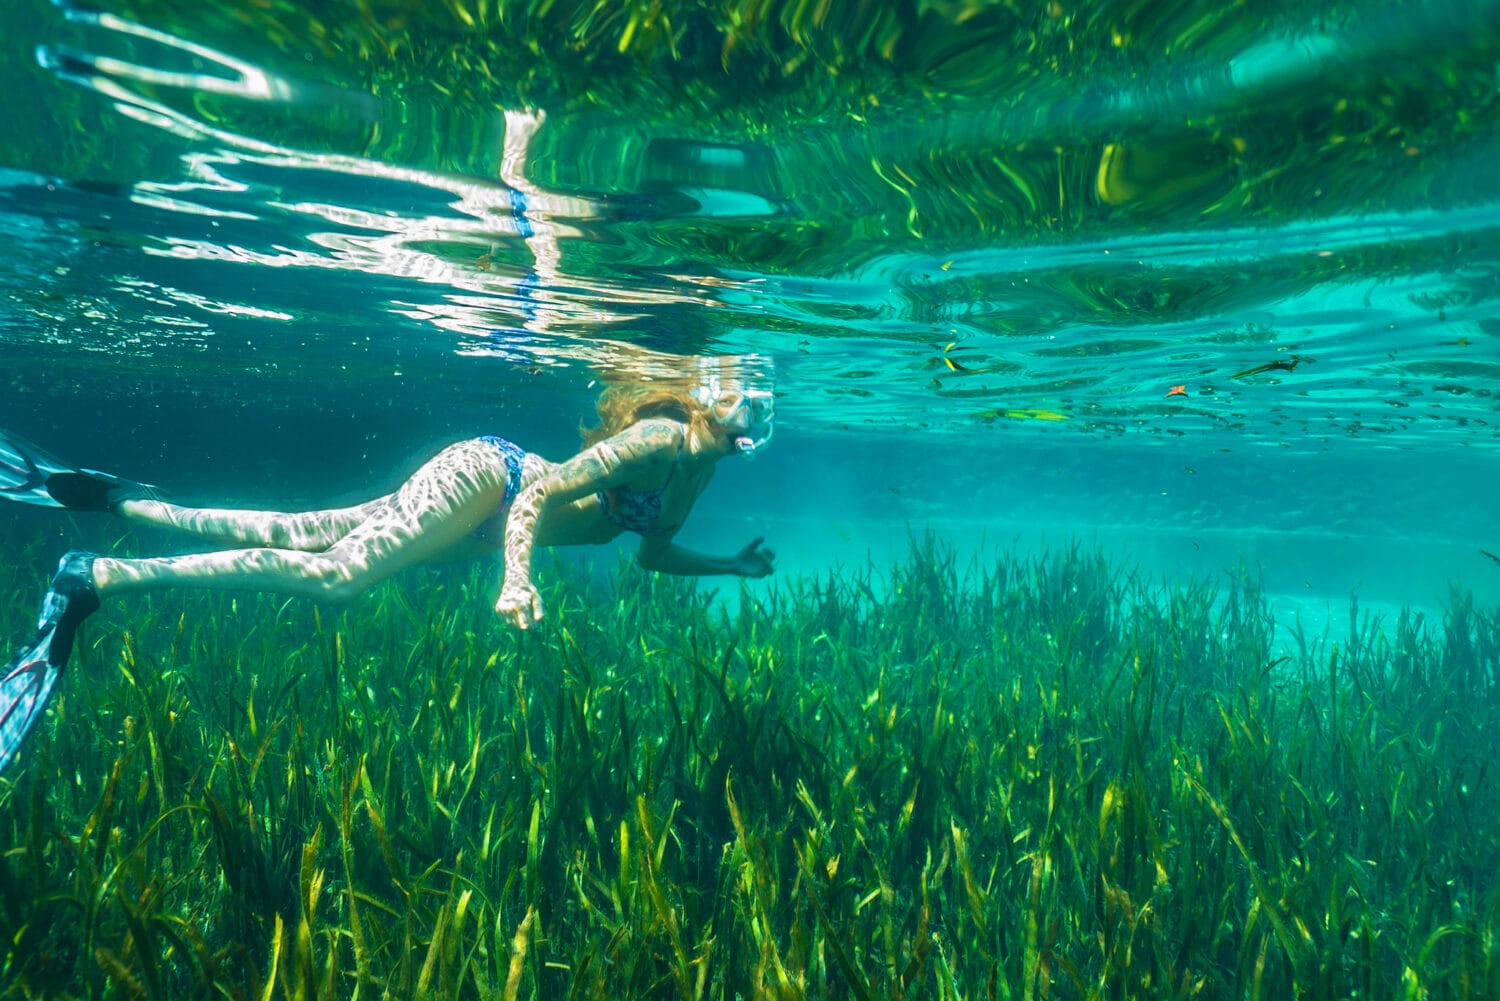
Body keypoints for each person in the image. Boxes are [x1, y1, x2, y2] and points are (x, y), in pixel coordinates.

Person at [0, 363, 777, 772]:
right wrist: (516, 576)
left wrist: (730, 568)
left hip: (479, 521)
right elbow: (541, 487)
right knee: (338, 576)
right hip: (492, 479)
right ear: (714, 397)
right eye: (750, 397)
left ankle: (122, 500)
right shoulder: (659, 444)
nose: (759, 411)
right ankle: (95, 578)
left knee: (307, 531)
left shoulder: (700, 472)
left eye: (765, 407)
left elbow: (651, 554)